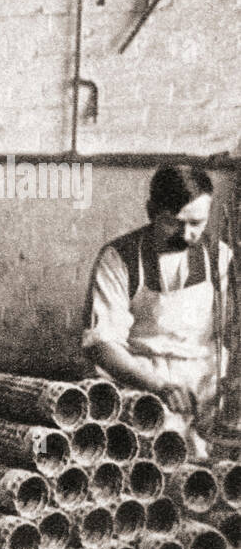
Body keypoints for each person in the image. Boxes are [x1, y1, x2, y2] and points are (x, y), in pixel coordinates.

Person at [83, 165, 231, 454]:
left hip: (206, 386)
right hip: (141, 383)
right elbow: (101, 344)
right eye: (174, 223)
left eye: (197, 223)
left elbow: (232, 333)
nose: (187, 235)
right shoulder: (120, 258)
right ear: (151, 211)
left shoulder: (220, 258)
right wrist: (158, 385)